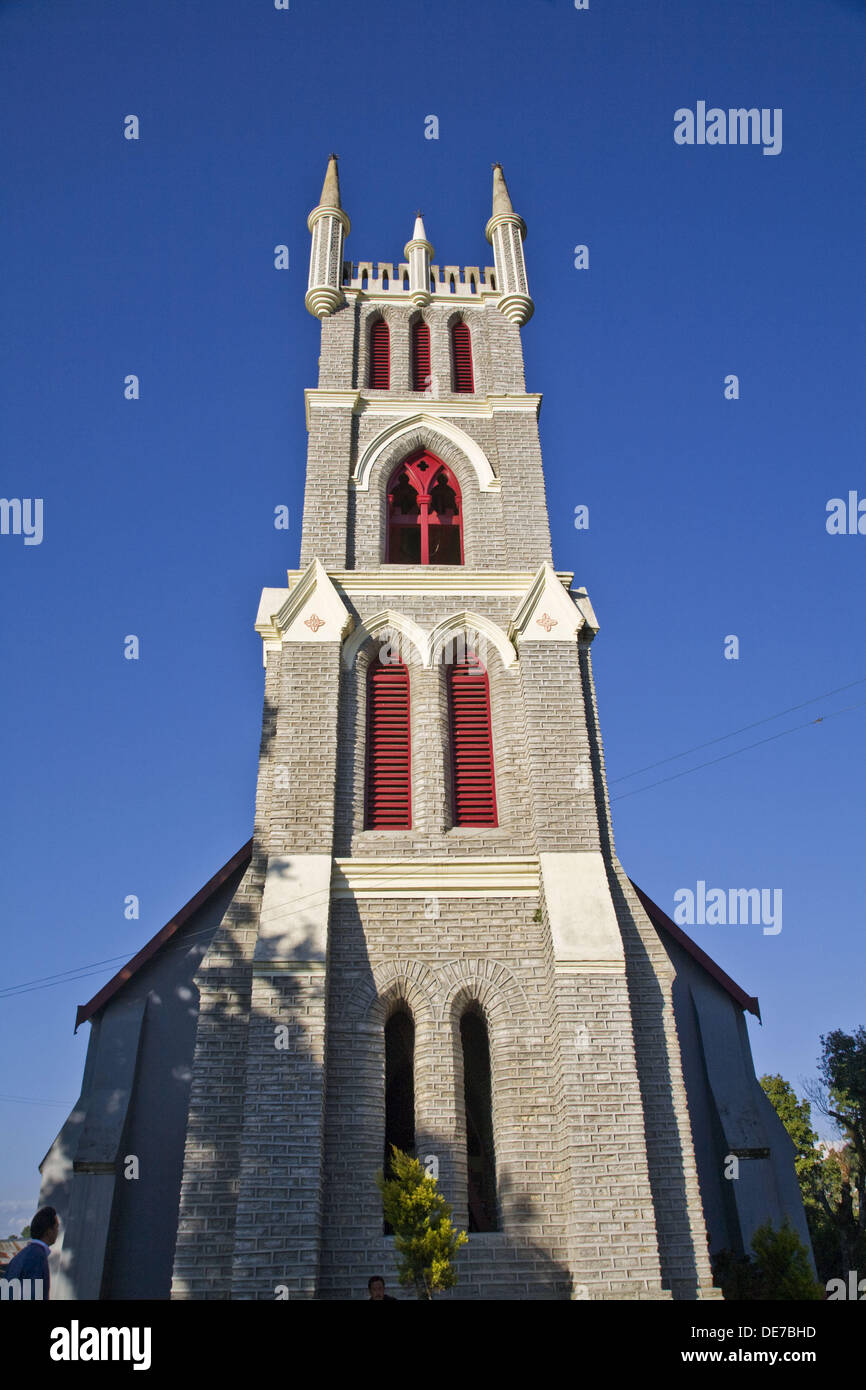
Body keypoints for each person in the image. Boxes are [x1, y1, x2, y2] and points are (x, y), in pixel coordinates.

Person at [2, 1207, 59, 1298]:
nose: (57, 1231)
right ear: (49, 1232)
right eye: (56, 1227)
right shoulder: (37, 1258)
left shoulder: (19, 1257)